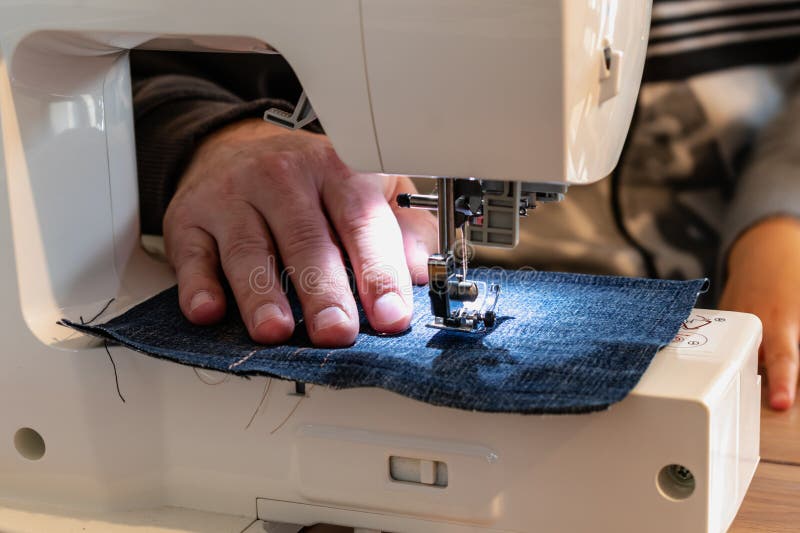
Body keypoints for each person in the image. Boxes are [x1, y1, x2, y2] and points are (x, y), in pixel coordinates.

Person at [131, 2, 800, 410]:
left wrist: (782, 212)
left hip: (727, 269)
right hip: (363, 237)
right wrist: (203, 132)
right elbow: (102, 57)